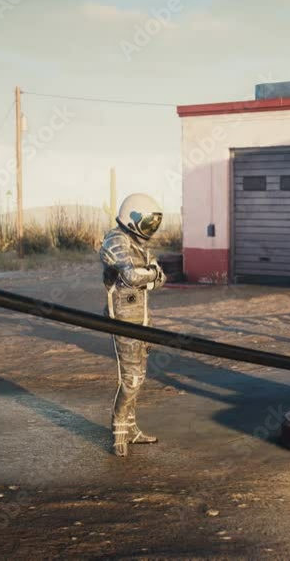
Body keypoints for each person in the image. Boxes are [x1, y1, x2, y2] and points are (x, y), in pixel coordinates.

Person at [99, 193, 166, 456]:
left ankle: (132, 428)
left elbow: (161, 278)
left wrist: (150, 275)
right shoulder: (115, 240)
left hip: (143, 319)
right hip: (123, 320)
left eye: (153, 224)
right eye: (148, 223)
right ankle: (118, 429)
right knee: (131, 379)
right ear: (131, 218)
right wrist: (152, 273)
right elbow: (130, 275)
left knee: (140, 378)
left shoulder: (138, 246)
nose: (150, 229)